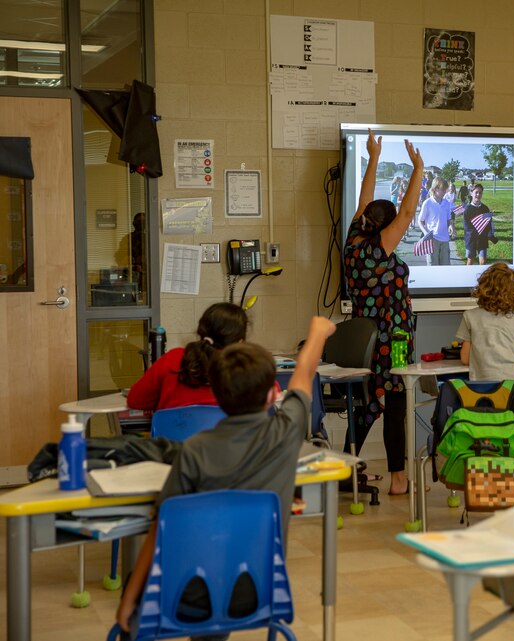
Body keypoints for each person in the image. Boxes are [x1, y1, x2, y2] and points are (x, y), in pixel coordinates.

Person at [115, 316, 337, 639]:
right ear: (270, 397)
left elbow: (158, 529)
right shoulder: (284, 434)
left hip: (186, 599)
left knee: (191, 580)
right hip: (258, 595)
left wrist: (132, 596)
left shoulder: (194, 451)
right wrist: (318, 331)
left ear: (217, 395)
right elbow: (303, 375)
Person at [343, 129, 423, 495]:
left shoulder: (354, 237)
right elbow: (407, 211)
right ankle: (398, 478)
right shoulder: (380, 247)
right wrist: (418, 168)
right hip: (394, 337)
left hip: (364, 335)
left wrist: (374, 157)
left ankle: (348, 468)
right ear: (386, 226)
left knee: (364, 404)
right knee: (395, 402)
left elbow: (364, 200)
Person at [455, 263, 514, 485]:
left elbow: (465, 358)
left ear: (483, 288)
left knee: (494, 442)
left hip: (491, 391)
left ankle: (495, 490)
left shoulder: (470, 316)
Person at [126, 302, 248, 411]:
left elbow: (136, 400)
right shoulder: (244, 367)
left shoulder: (173, 358)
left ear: (201, 330)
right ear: (240, 341)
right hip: (225, 436)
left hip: (172, 435)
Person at [418, 176, 455, 266]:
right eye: (443, 189)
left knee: (445, 266)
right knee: (433, 267)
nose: (445, 191)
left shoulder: (446, 203)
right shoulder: (427, 203)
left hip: (445, 239)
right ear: (435, 188)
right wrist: (426, 233)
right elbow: (420, 221)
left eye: (445, 189)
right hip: (432, 240)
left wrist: (451, 225)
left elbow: (449, 218)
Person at [459, 183, 497, 266]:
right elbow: (467, 227)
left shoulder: (485, 208)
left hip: (482, 239)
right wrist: (478, 231)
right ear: (471, 193)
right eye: (476, 192)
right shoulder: (467, 209)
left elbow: (489, 223)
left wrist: (490, 235)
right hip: (471, 239)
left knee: (483, 262)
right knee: (470, 261)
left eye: (480, 192)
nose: (478, 194)